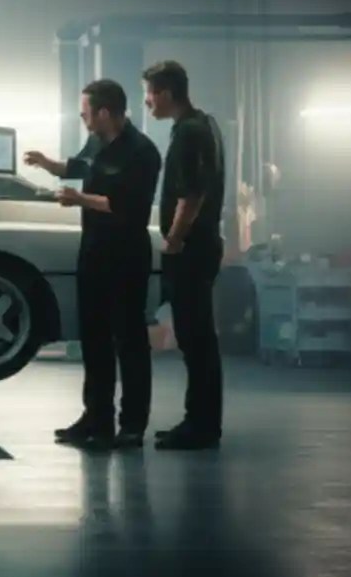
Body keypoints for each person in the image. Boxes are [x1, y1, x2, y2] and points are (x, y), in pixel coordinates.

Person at [25, 79, 162, 451]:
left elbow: (128, 207)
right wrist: (46, 164)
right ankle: (96, 418)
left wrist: (79, 199)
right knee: (94, 338)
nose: (83, 120)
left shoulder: (142, 152)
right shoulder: (98, 141)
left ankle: (132, 424)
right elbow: (78, 165)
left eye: (86, 114)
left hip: (127, 256)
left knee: (130, 341)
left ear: (104, 113)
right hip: (95, 252)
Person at [143, 60, 226, 451]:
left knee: (196, 339)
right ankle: (200, 421)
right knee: (197, 339)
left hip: (191, 248)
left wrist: (174, 239)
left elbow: (191, 194)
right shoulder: (204, 125)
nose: (147, 103)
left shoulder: (189, 133)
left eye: (150, 94)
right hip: (202, 245)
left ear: (165, 93)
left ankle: (202, 426)